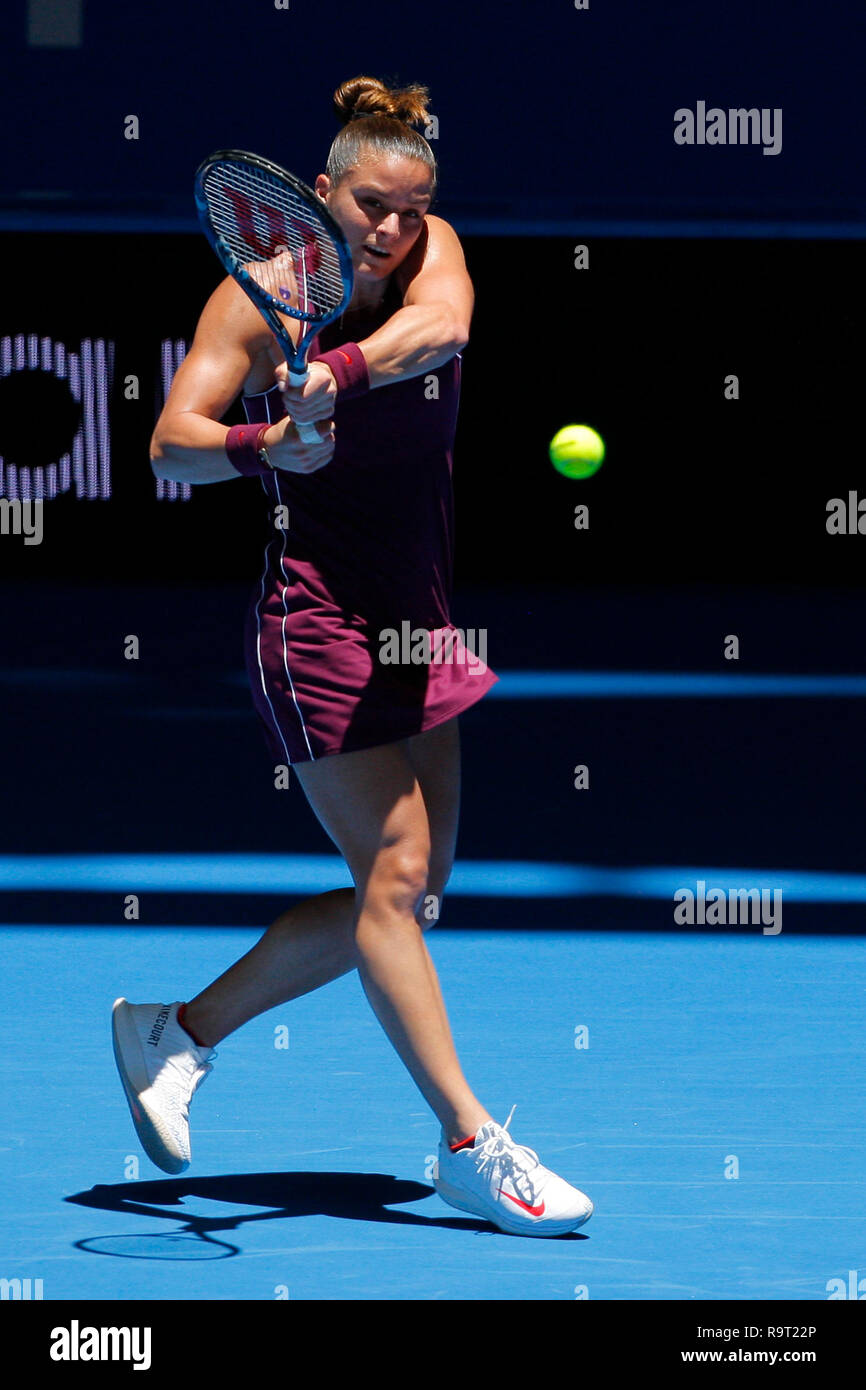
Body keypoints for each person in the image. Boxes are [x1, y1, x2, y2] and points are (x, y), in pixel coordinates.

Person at [112, 75, 593, 1238]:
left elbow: (444, 327)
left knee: (413, 894)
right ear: (319, 194)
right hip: (314, 622)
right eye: (370, 204)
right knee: (393, 872)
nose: (390, 227)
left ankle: (171, 1032)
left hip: (417, 616)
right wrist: (264, 440)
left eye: (411, 207)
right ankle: (471, 1143)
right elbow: (171, 448)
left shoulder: (431, 259)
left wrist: (336, 373)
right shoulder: (255, 299)